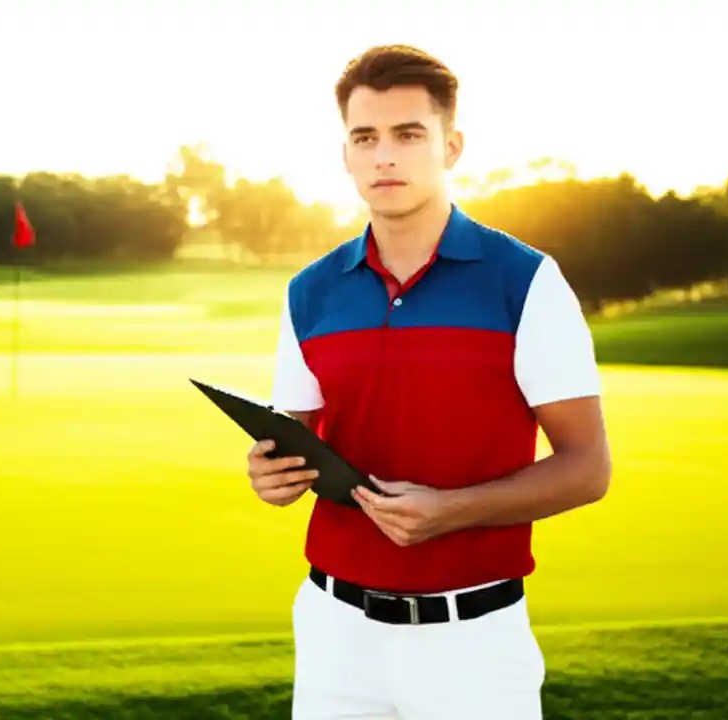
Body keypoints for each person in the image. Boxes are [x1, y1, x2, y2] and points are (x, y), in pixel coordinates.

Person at [247, 45, 612, 720]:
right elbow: (295, 443)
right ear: (346, 155)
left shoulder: (526, 281)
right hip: (334, 635)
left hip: (472, 644)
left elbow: (588, 469)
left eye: (408, 135)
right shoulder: (309, 291)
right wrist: (271, 475)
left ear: (451, 147)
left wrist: (450, 511)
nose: (384, 156)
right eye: (366, 138)